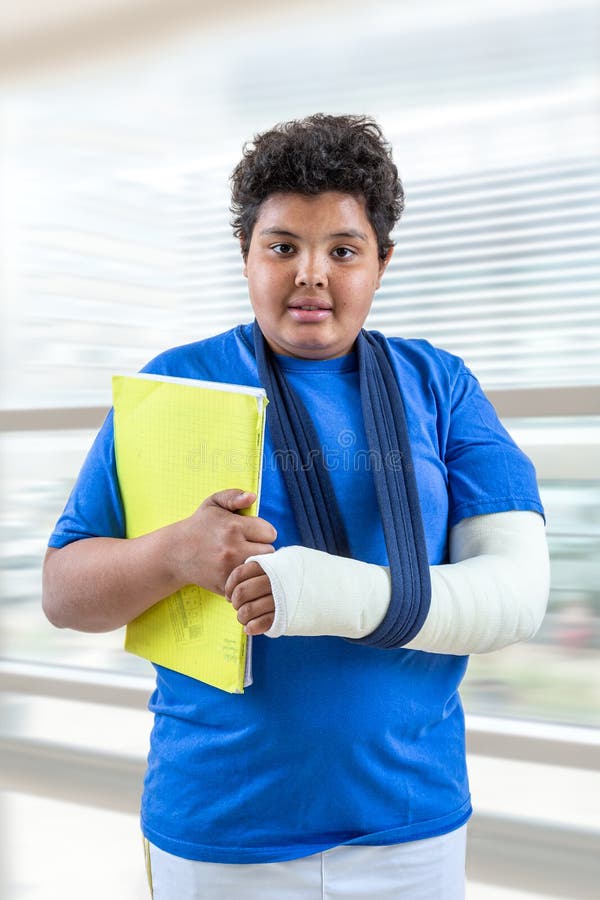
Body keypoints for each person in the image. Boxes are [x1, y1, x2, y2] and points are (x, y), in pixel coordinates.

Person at [42, 114, 550, 899]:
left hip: (410, 825)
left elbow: (514, 594)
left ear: (382, 262)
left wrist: (328, 594)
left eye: (342, 250)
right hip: (221, 830)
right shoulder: (176, 385)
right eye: (282, 247)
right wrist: (175, 553)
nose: (311, 274)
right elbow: (63, 594)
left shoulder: (441, 387)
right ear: (246, 256)